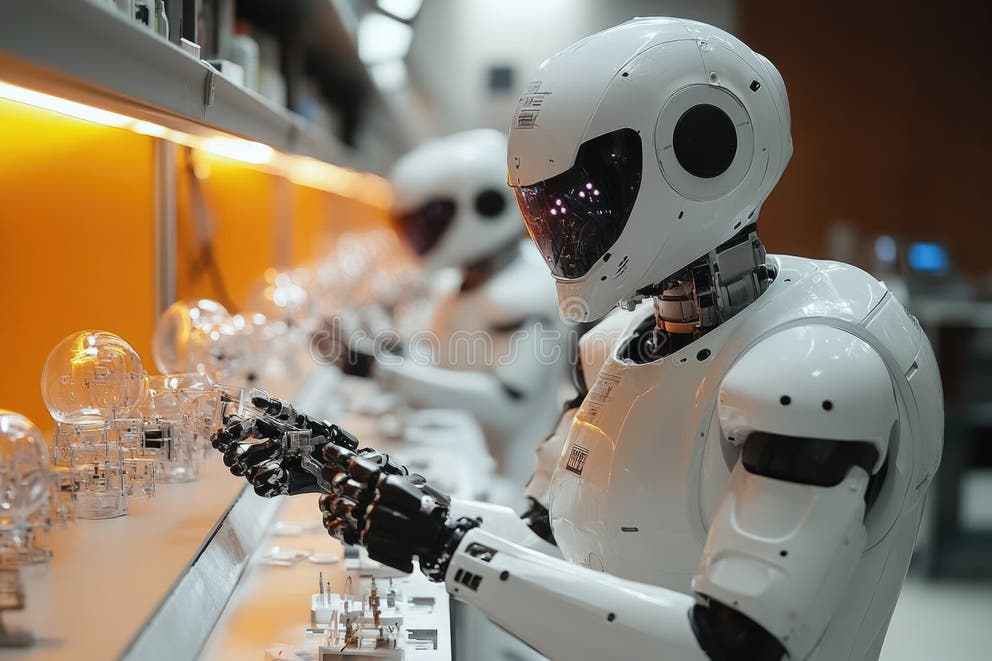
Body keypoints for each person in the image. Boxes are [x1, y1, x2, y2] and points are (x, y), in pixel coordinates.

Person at [217, 18, 942, 661]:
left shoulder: (813, 370)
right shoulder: (620, 340)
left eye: (584, 200)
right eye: (547, 209)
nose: (564, 233)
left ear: (702, 152)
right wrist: (354, 476)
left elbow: (736, 640)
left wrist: (446, 545)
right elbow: (547, 542)